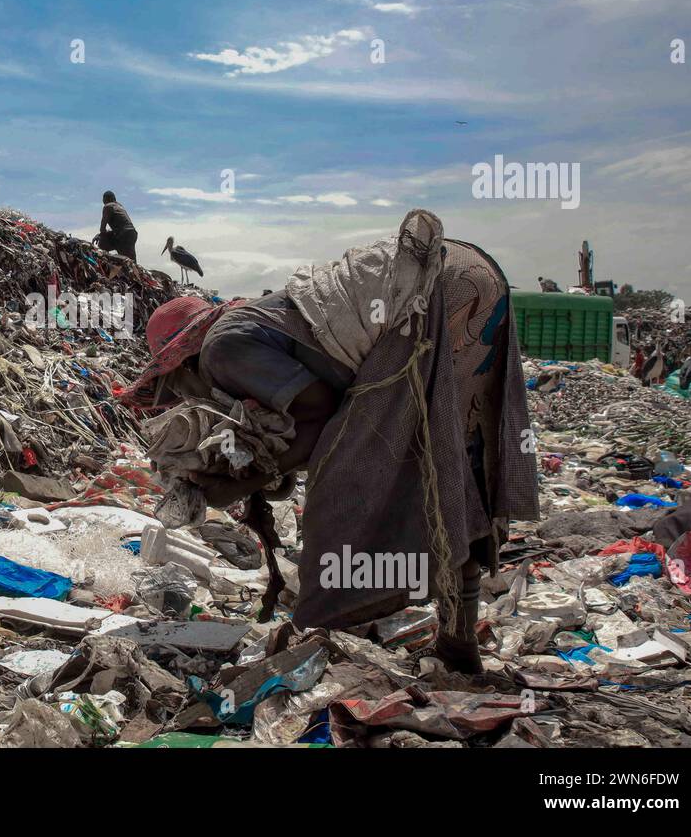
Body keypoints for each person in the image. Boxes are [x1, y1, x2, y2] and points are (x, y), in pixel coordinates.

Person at [126, 210, 537, 674]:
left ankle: (427, 635)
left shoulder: (224, 349)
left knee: (359, 490)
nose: (181, 397)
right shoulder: (252, 328)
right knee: (447, 469)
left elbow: (320, 416)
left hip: (434, 291)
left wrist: (234, 485)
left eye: (173, 386)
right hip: (462, 273)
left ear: (184, 361)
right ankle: (459, 646)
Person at [95, 190, 138, 262]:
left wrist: (100, 236)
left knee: (102, 242)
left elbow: (102, 228)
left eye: (103, 199)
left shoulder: (107, 207)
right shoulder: (119, 206)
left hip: (123, 235)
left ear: (105, 199)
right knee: (131, 261)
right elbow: (122, 225)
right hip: (132, 233)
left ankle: (103, 260)